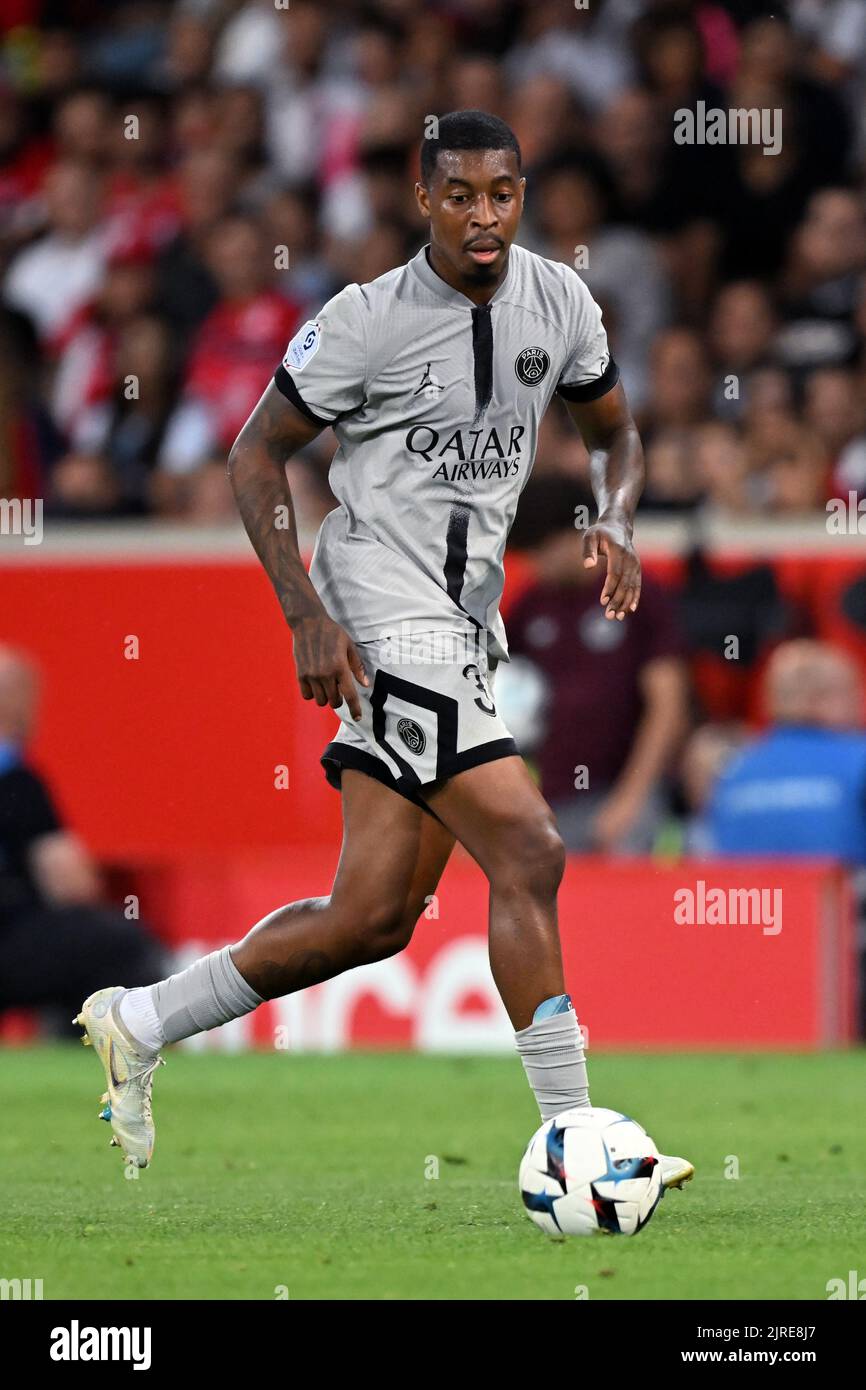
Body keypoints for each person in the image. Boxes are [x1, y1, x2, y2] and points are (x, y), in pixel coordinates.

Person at [75, 110, 693, 1199]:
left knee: (369, 920)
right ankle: (576, 1140)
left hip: (464, 623)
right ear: (422, 200)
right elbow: (254, 453)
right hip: (378, 608)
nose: (483, 215)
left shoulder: (561, 303)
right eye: (458, 195)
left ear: (519, 192)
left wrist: (618, 512)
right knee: (530, 846)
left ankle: (138, 1020)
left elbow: (615, 430)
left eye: (500, 192)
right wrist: (302, 610)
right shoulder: (362, 321)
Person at [0, 646, 167, 1031]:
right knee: (116, 947)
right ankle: (98, 1057)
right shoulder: (16, 778)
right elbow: (70, 885)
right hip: (9, 938)